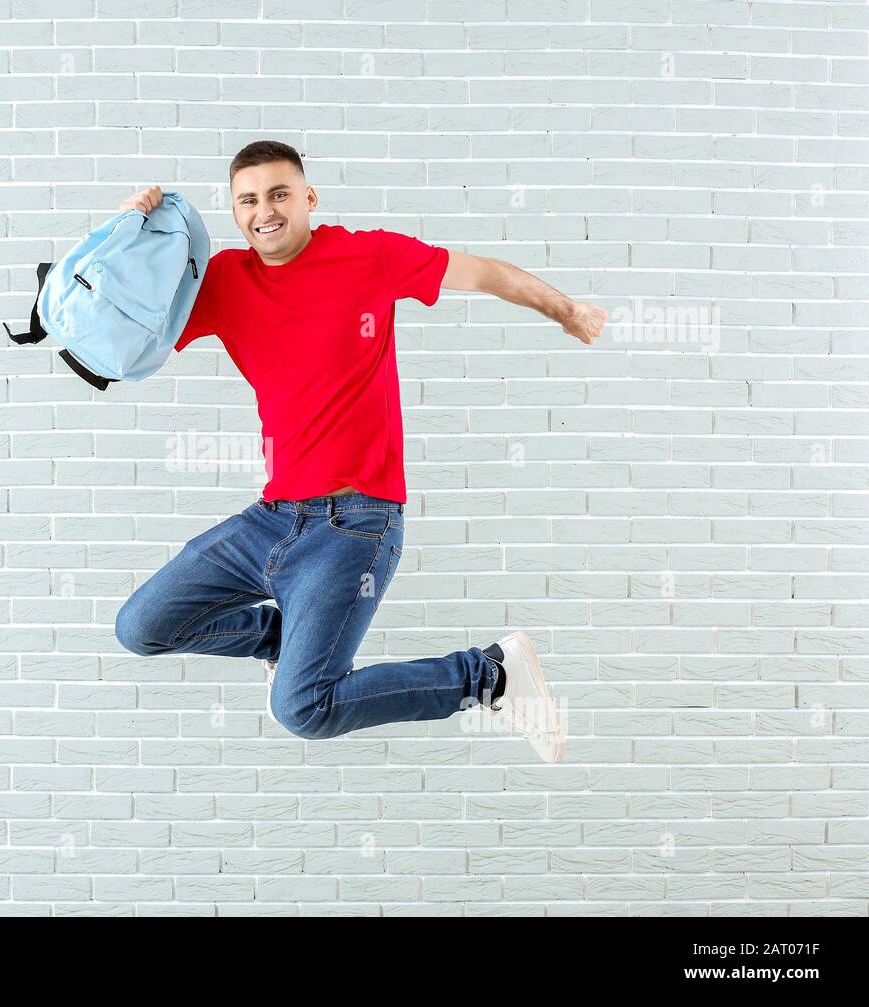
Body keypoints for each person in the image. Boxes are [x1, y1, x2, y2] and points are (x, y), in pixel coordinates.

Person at [114, 141, 607, 763]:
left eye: (279, 193)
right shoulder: (223, 283)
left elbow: (481, 271)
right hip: (271, 521)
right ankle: (281, 643)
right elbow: (125, 337)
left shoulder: (368, 256)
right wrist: (132, 233)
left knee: (303, 709)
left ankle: (488, 675)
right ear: (235, 213)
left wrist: (563, 308)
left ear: (308, 198)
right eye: (248, 200)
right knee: (141, 627)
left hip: (354, 525)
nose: (265, 210)